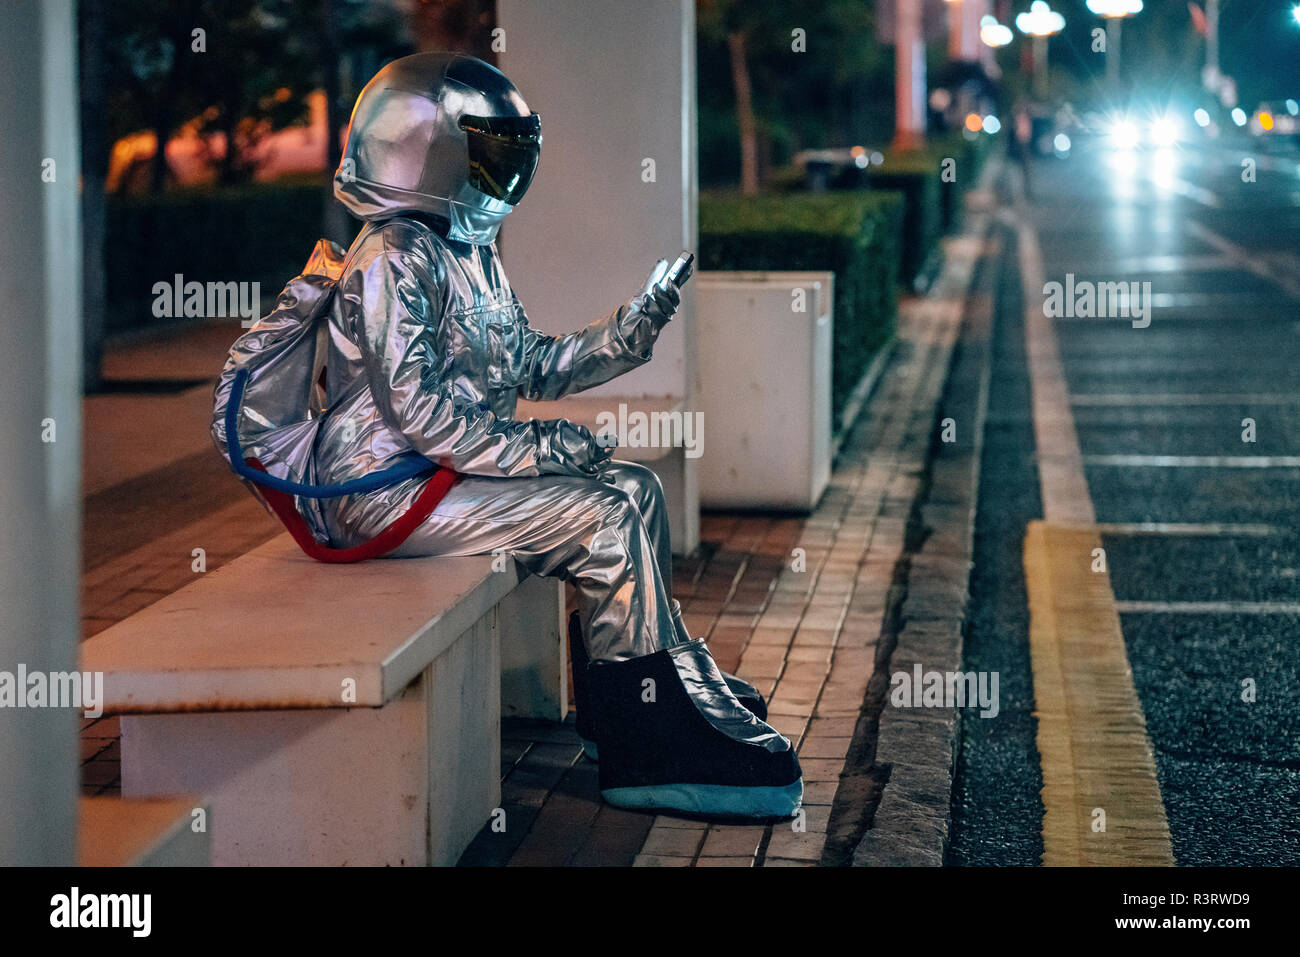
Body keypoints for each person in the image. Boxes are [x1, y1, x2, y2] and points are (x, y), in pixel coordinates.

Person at [214, 53, 802, 820]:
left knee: (636, 487)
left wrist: (631, 329)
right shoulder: (393, 257)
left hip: (443, 475)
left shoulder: (470, 249)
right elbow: (420, 417)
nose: (507, 173)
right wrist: (545, 449)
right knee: (602, 516)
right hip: (387, 493)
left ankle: (633, 701)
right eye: (492, 152)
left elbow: (531, 362)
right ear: (429, 150)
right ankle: (652, 746)